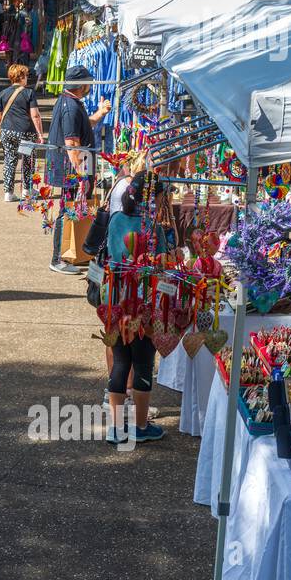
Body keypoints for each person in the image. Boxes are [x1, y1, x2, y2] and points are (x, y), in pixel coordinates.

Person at [104, 170, 168, 443]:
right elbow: (164, 266)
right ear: (152, 198)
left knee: (120, 362)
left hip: (115, 302)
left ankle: (116, 428)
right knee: (142, 364)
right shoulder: (154, 229)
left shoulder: (116, 219)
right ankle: (140, 427)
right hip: (143, 304)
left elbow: (110, 252)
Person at [46, 65, 112, 275]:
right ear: (81, 84)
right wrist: (81, 174)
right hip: (71, 169)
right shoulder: (70, 107)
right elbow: (72, 144)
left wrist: (101, 113)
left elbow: (84, 128)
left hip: (75, 166)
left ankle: (72, 254)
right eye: (88, 83)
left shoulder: (72, 103)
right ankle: (58, 258)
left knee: (73, 210)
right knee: (66, 211)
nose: (89, 86)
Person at [0, 64, 44, 201]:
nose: (27, 78)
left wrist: (7, 125)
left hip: (7, 133)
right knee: (28, 161)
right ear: (21, 77)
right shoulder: (29, 93)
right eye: (26, 75)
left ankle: (8, 193)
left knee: (10, 161)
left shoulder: (2, 93)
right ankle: (27, 191)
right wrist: (40, 134)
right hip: (26, 133)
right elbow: (35, 115)